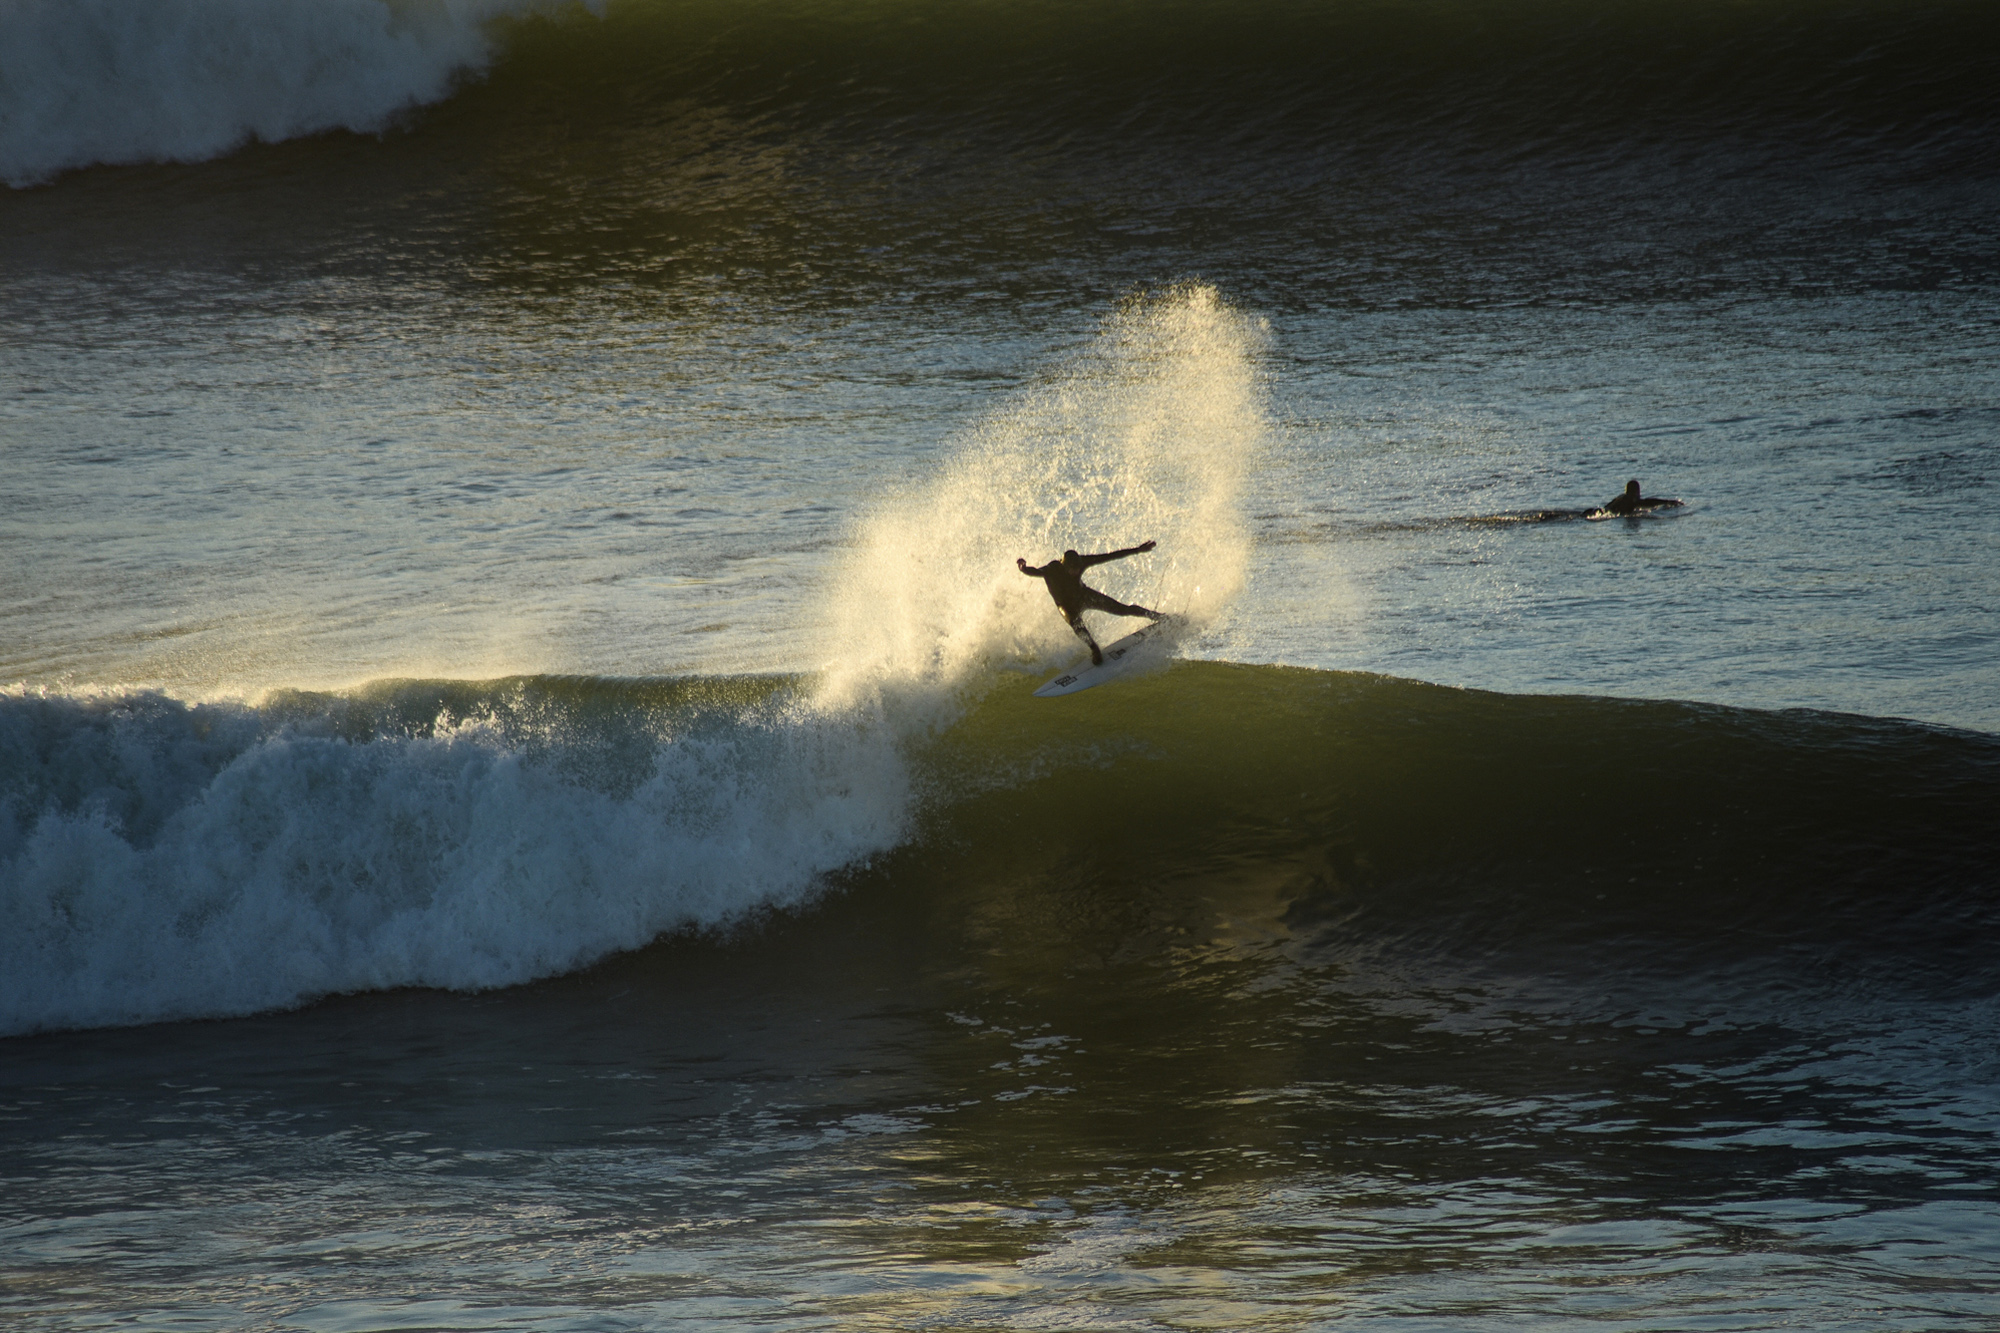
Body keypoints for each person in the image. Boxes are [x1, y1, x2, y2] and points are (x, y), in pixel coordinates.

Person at [1017, 541, 1165, 665]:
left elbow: (1109, 556)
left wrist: (1137, 550)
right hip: (1066, 606)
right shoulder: (1052, 569)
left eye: (1077, 569)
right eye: (1072, 569)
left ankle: (1157, 616)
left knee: (1123, 609)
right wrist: (1023, 568)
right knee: (1078, 627)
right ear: (1065, 566)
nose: (1076, 572)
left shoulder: (1082, 561)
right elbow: (1034, 571)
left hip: (1084, 596)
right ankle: (1094, 650)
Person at [1599, 479, 1684, 516]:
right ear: (1636, 491)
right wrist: (1668, 502)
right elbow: (1650, 502)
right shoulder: (1633, 500)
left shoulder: (1620, 497)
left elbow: (1606, 507)